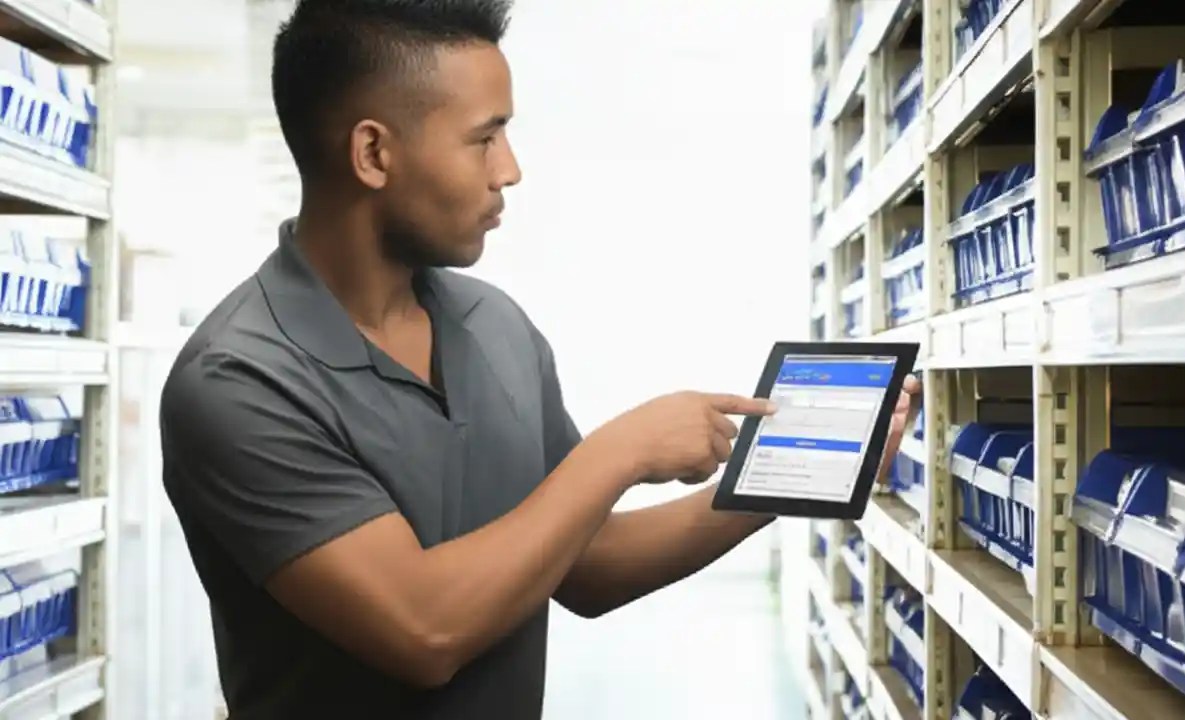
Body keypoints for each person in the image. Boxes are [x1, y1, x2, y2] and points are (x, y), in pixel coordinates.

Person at [159, 1, 921, 718]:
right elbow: (424, 631)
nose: (509, 169)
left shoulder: (494, 327)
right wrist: (621, 452)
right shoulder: (238, 381)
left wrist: (794, 481)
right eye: (483, 138)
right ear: (372, 153)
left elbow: (587, 565)